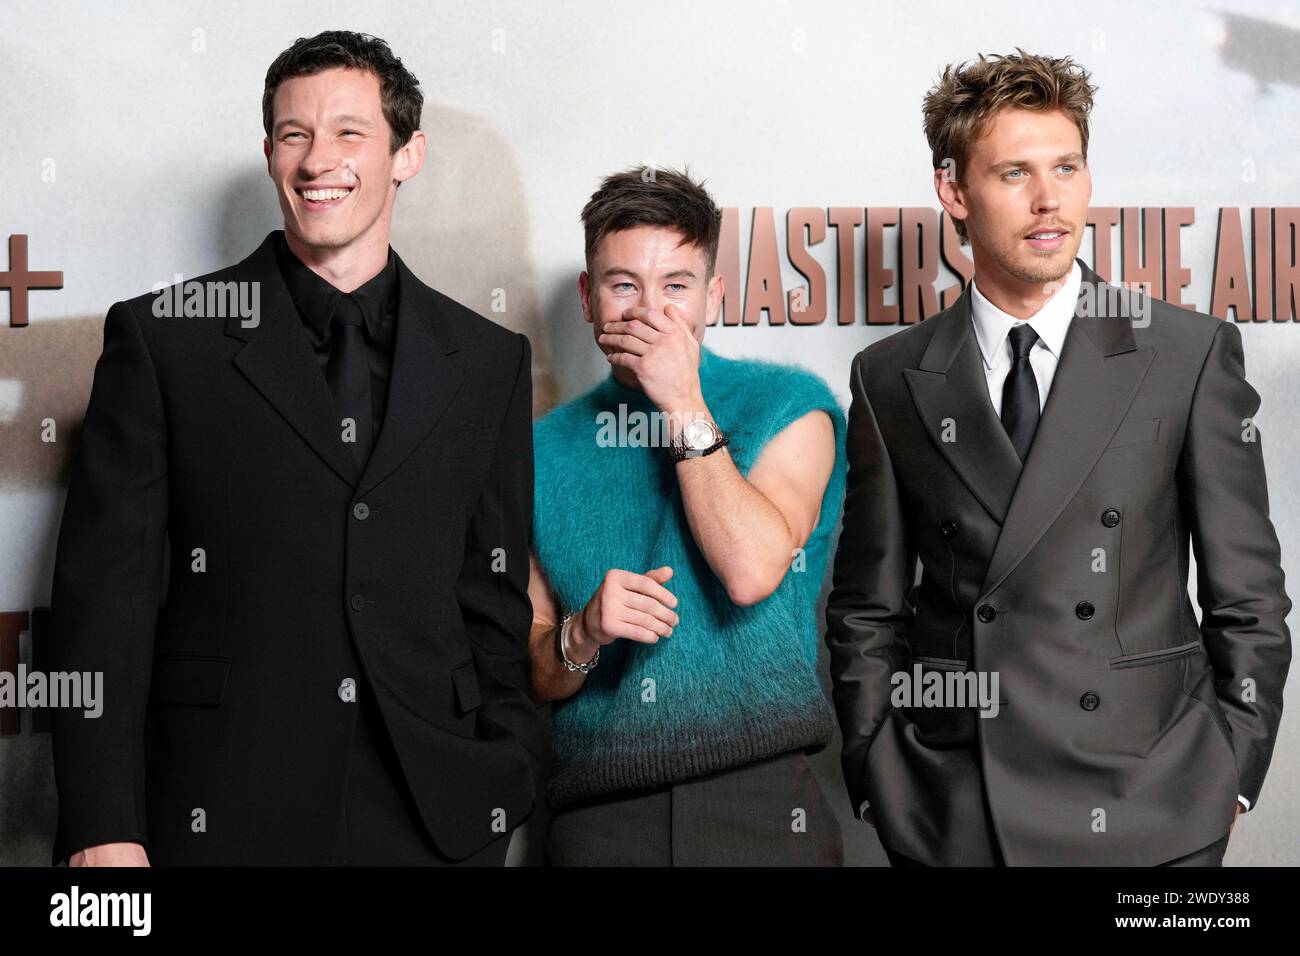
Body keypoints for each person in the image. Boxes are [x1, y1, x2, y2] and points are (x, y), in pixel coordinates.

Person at [49, 30, 545, 866]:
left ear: (406, 155)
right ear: (272, 152)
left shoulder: (489, 363)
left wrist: (505, 766)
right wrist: (103, 827)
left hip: (435, 817)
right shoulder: (165, 340)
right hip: (221, 811)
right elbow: (105, 609)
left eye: (350, 133)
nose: (319, 161)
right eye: (293, 134)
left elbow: (491, 601)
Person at [826, 48, 1291, 866]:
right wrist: (874, 765)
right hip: (957, 811)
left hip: (1154, 806)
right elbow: (869, 607)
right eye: (1014, 173)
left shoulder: (1182, 352)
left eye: (1067, 167)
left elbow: (1248, 596)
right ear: (953, 190)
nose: (1050, 202)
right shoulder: (892, 377)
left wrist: (1234, 769)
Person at [528, 166, 846, 865]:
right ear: (587, 297)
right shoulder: (539, 451)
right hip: (599, 815)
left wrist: (682, 400)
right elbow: (534, 666)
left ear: (714, 296)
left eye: (675, 286)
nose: (650, 312)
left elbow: (751, 568)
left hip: (763, 803)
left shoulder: (788, 404)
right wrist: (582, 634)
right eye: (623, 286)